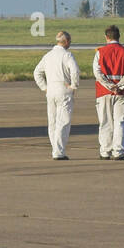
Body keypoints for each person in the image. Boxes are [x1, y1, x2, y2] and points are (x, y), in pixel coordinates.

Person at [34, 30, 79, 160]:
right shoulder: (67, 55)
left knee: (52, 121)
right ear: (66, 41)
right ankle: (58, 152)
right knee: (63, 121)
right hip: (63, 89)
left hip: (51, 90)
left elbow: (37, 73)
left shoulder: (48, 55)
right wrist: (74, 86)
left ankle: (55, 148)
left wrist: (44, 87)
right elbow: (75, 71)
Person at [93, 25, 124, 160]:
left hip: (104, 92)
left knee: (105, 122)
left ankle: (105, 152)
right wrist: (119, 86)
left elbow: (97, 73)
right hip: (123, 93)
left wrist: (110, 86)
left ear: (106, 37)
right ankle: (118, 152)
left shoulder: (100, 52)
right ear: (119, 36)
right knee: (120, 123)